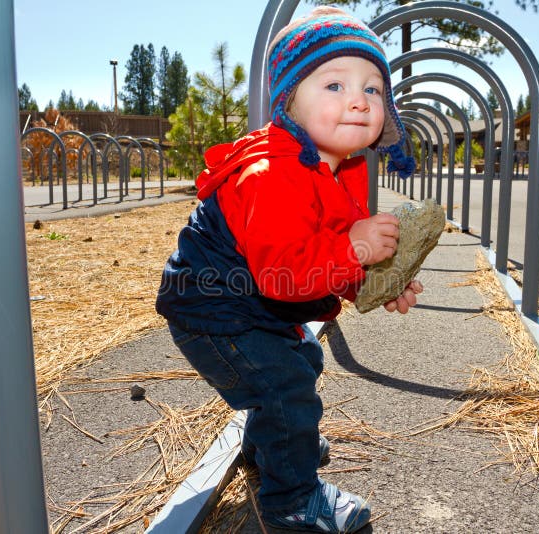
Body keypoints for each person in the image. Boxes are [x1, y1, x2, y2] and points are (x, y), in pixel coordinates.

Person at [156, 7, 422, 533]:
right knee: (284, 386)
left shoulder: (332, 169)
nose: (358, 100)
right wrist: (357, 250)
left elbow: (321, 250)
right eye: (334, 84)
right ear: (289, 101)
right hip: (215, 309)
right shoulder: (274, 172)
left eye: (373, 89)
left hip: (250, 305)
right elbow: (284, 273)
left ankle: (274, 442)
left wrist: (371, 281)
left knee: (298, 357)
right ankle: (293, 503)